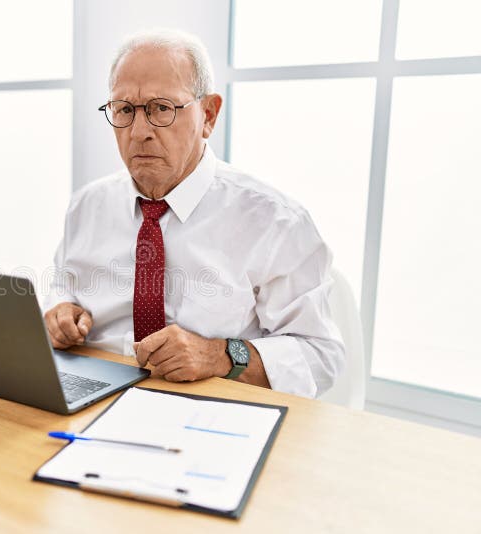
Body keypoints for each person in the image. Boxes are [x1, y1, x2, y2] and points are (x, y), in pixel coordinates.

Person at [42, 29, 344, 398]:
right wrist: (60, 311)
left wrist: (221, 356)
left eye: (161, 109)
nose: (139, 132)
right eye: (124, 110)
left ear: (209, 115)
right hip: (91, 394)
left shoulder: (275, 221)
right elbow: (62, 285)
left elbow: (321, 356)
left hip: (211, 408)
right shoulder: (86, 206)